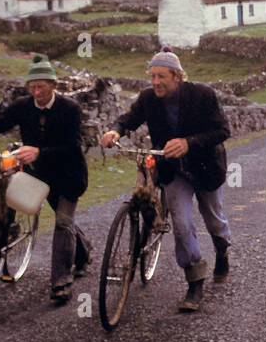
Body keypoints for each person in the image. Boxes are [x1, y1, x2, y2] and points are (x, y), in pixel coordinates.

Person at [0, 53, 92, 304]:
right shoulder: (23, 106)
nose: (37, 92)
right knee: (52, 218)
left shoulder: (69, 109)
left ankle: (61, 282)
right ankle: (83, 252)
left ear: (54, 86)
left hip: (69, 175)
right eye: (32, 87)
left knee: (62, 222)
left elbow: (73, 147)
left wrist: (39, 152)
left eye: (41, 87)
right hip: (38, 174)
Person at [99, 47, 231, 313]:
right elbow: (130, 118)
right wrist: (115, 130)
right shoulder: (148, 98)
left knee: (214, 219)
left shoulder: (203, 95)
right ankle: (195, 282)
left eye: (162, 76)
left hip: (205, 167)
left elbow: (222, 130)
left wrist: (188, 143)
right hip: (172, 170)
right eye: (152, 76)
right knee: (181, 224)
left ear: (178, 76)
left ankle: (222, 249)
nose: (156, 82)